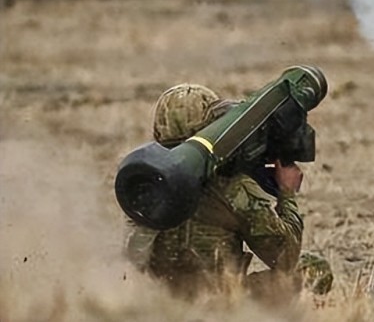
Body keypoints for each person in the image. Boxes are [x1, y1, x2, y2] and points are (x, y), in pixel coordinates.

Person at [124, 83, 333, 301]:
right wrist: (287, 194)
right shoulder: (233, 188)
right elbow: (284, 257)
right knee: (314, 268)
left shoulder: (143, 183)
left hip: (158, 301)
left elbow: (131, 257)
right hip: (222, 302)